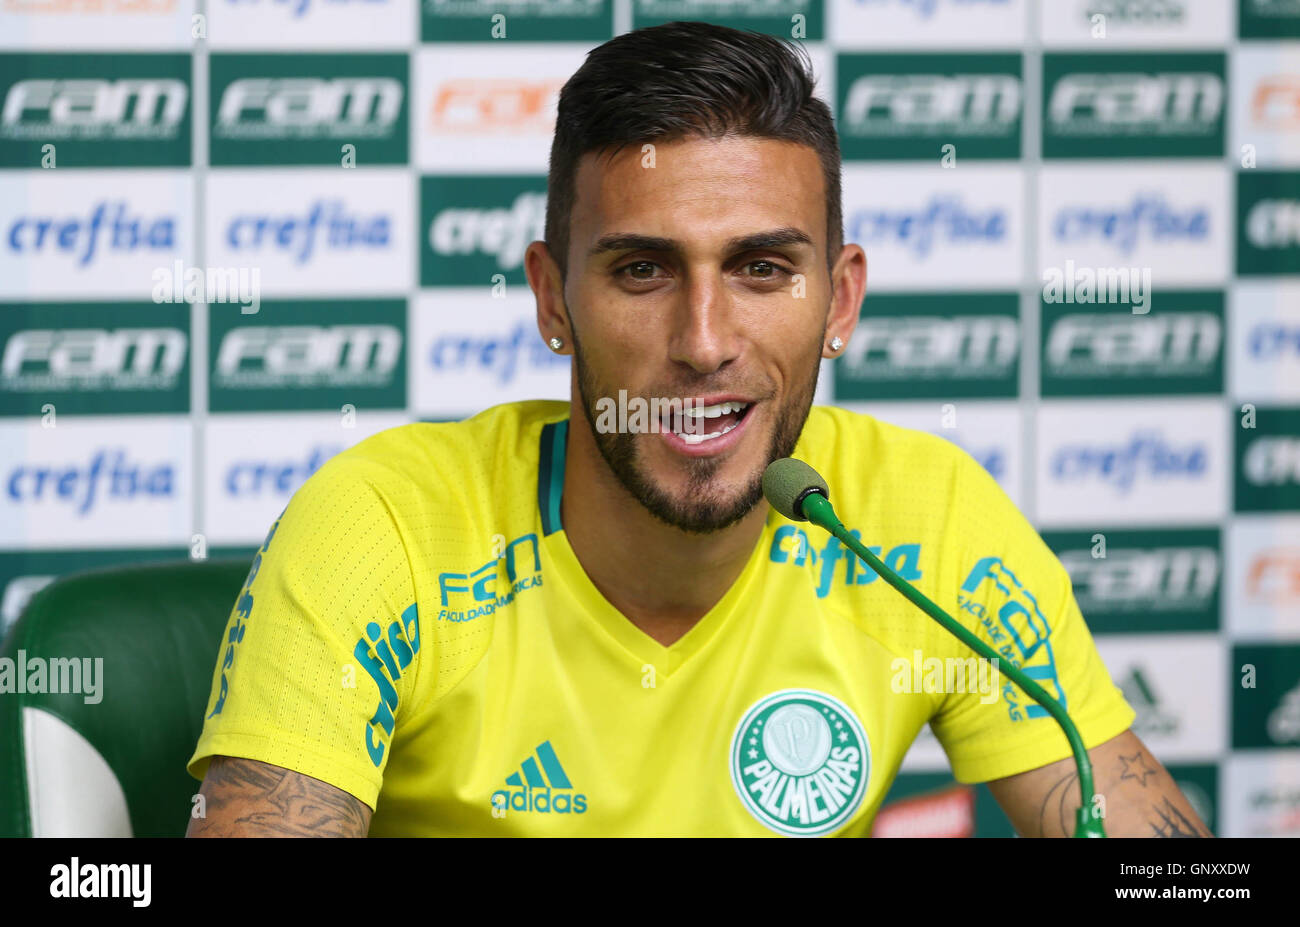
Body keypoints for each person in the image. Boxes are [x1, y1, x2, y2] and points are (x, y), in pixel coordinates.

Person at [185, 21, 1210, 838]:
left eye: (762, 269)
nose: (704, 341)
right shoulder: (385, 523)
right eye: (641, 269)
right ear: (552, 298)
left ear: (839, 303)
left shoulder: (928, 517)